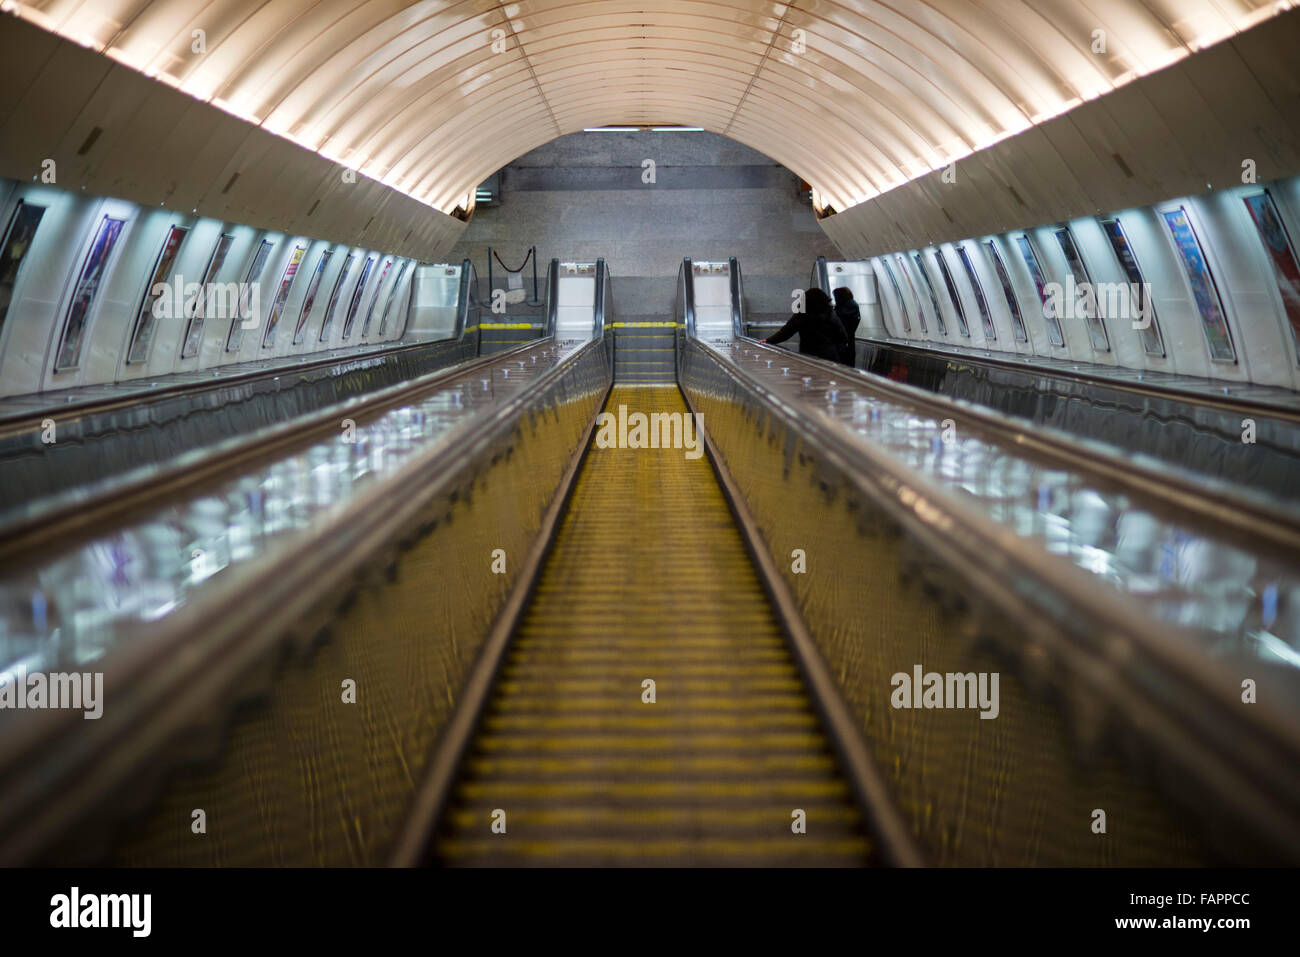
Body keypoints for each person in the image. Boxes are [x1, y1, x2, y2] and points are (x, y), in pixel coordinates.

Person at [760, 288, 849, 363]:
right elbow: (842, 334)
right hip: (829, 355)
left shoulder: (801, 315)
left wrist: (768, 340)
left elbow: (786, 332)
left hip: (809, 354)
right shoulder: (830, 313)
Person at [832, 287, 860, 367]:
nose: (835, 299)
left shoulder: (848, 307)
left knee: (844, 365)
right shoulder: (851, 305)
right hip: (848, 342)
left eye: (836, 297)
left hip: (844, 343)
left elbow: (840, 321)